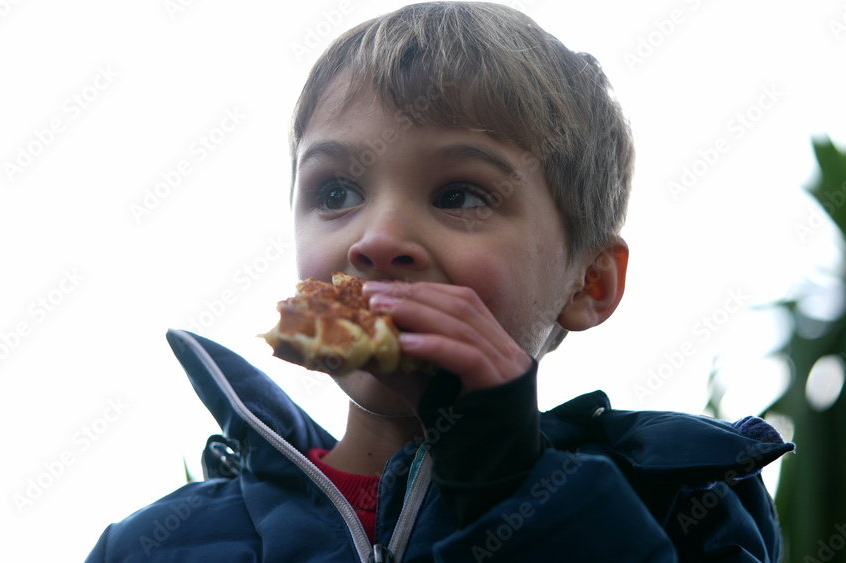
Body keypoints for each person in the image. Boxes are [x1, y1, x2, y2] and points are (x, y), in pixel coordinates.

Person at [87, 2, 794, 561]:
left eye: (459, 194)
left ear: (590, 283)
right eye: (335, 192)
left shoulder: (683, 504)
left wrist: (515, 487)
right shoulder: (154, 545)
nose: (378, 240)